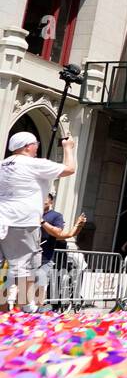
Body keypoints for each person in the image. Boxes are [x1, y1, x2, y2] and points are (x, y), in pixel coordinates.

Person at [0, 131, 76, 312]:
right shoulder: (35, 164)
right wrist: (68, 148)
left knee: (7, 268)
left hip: (3, 216)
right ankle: (26, 309)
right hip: (22, 220)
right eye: (36, 144)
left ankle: (5, 309)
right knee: (23, 266)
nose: (38, 147)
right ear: (27, 146)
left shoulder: (2, 164)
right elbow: (70, 168)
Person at [35, 193, 71, 310]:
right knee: (23, 280)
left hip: (45, 256)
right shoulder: (33, 213)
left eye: (44, 199)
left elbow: (58, 233)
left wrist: (42, 222)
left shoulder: (56, 216)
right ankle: (24, 308)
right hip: (28, 254)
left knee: (40, 279)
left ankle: (37, 308)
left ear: (51, 202)